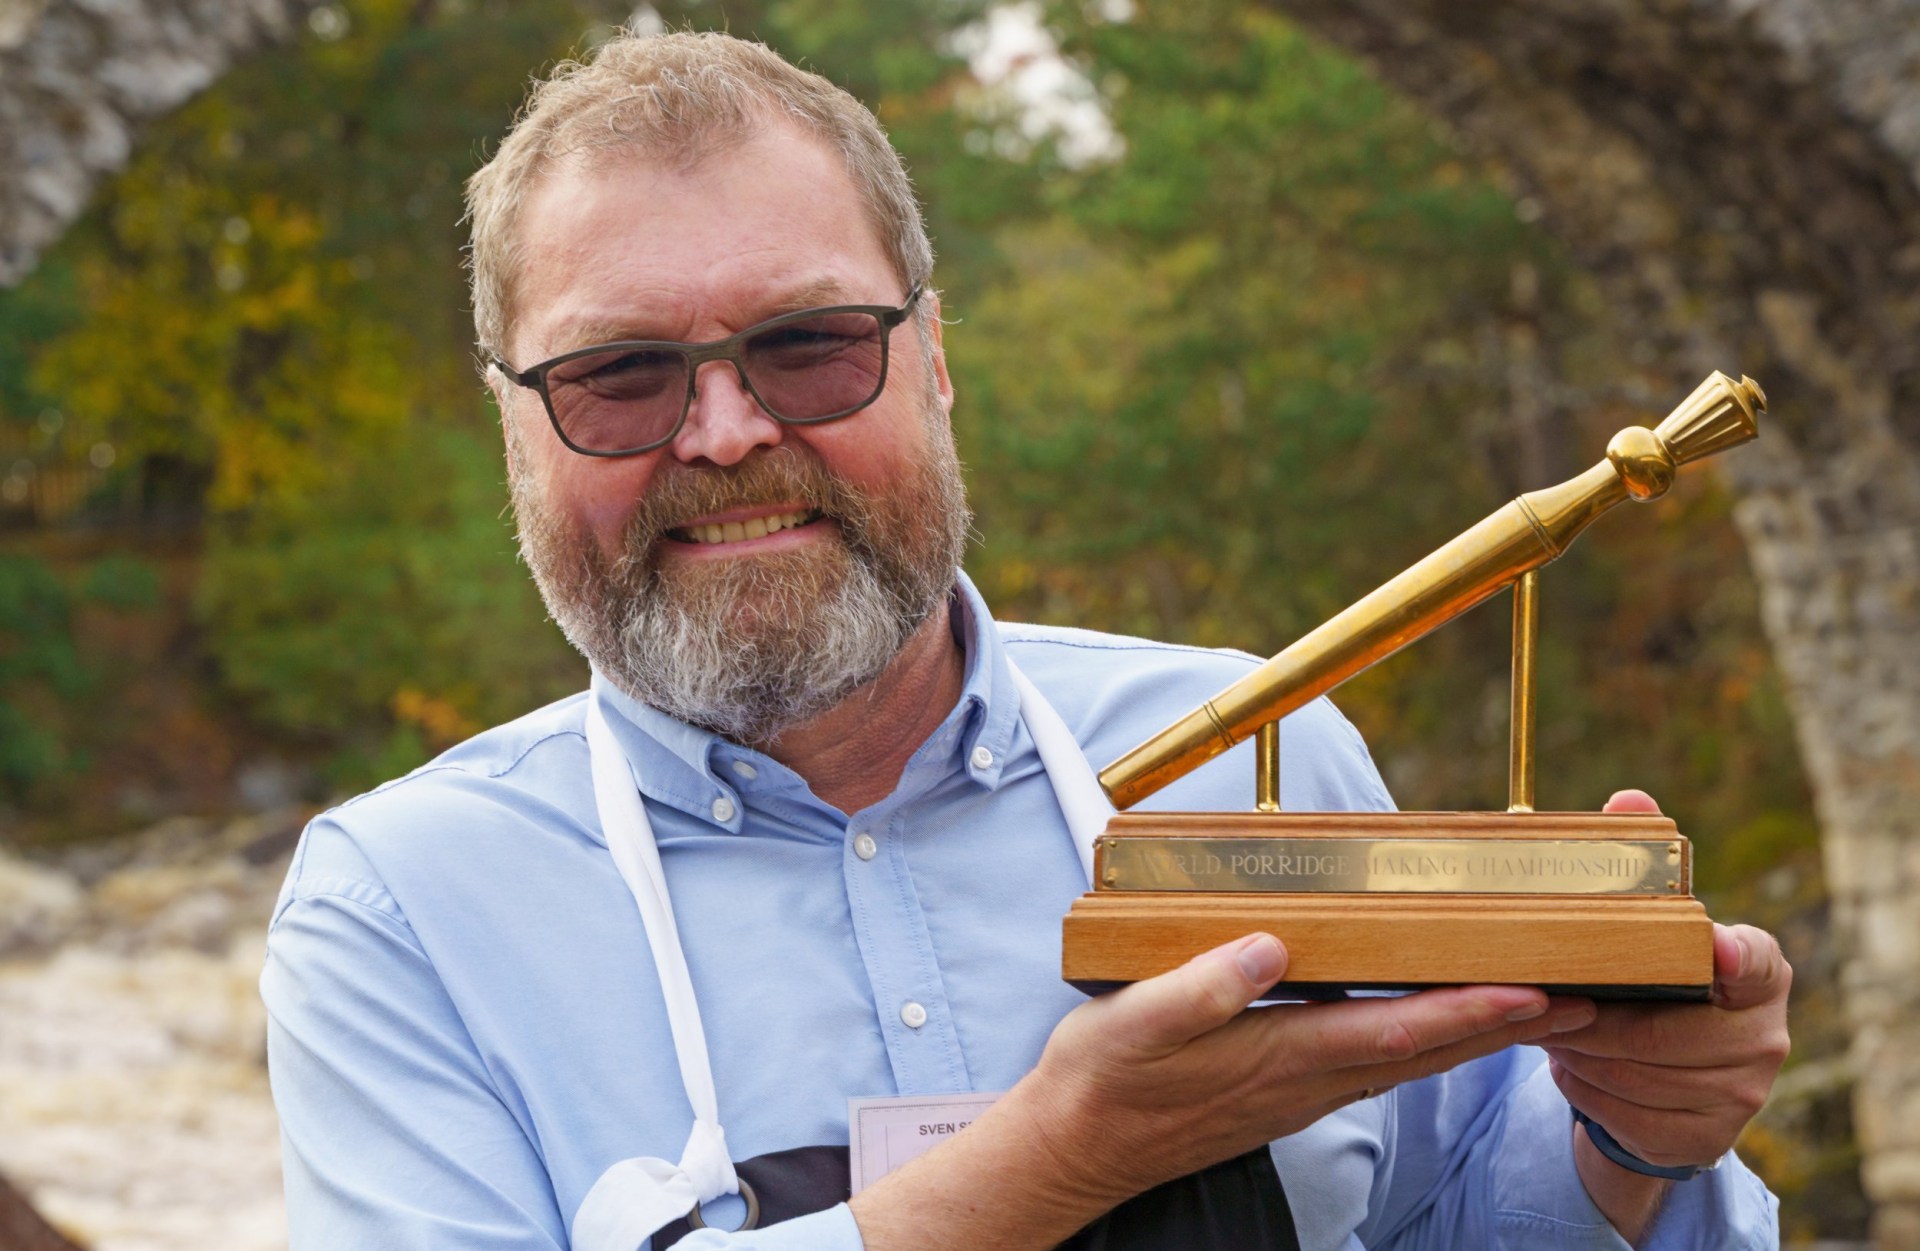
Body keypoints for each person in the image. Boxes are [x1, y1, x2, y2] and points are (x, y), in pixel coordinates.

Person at [260, 29, 1789, 1251]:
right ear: (514, 430)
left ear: (932, 362)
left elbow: (1450, 1228)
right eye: (619, 374)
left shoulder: (1265, 753)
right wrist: (1056, 1166)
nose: (724, 435)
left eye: (808, 344)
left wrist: (1634, 1145)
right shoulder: (404, 915)